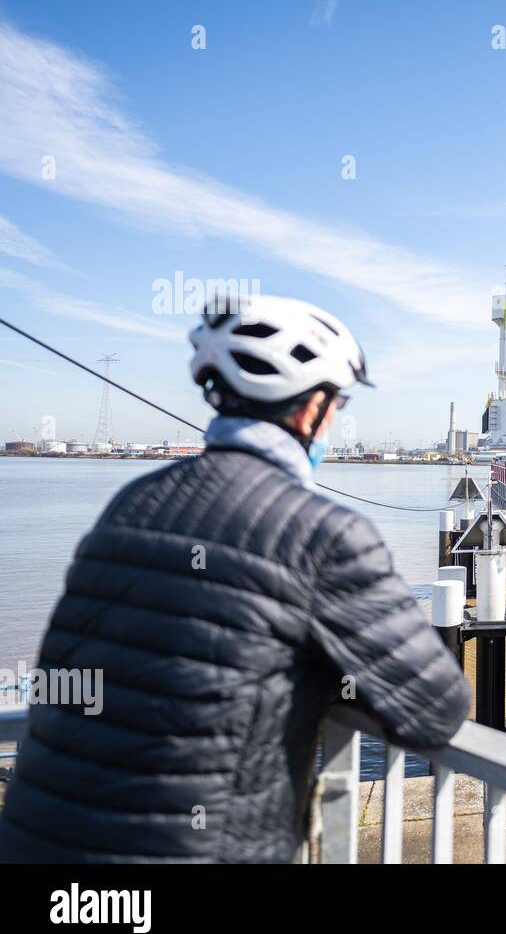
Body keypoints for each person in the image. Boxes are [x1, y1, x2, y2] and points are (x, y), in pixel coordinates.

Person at [0, 295, 471, 863]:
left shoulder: (133, 501)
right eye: (338, 403)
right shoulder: (325, 535)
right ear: (312, 410)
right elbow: (435, 709)